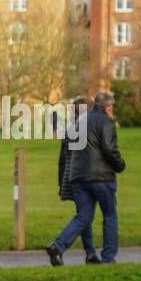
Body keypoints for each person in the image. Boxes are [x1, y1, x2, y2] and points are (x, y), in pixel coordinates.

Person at [46, 91, 125, 266]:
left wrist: (63, 181)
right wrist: (120, 165)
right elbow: (109, 148)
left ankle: (58, 246)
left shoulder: (79, 121)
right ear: (108, 107)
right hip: (101, 177)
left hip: (78, 177)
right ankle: (108, 257)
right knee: (110, 215)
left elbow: (66, 155)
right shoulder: (106, 121)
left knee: (83, 216)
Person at [57, 97, 99, 263]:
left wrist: (61, 182)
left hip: (71, 177)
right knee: (85, 215)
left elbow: (62, 159)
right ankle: (59, 245)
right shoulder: (90, 128)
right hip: (88, 177)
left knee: (84, 214)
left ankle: (90, 252)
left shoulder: (69, 129)